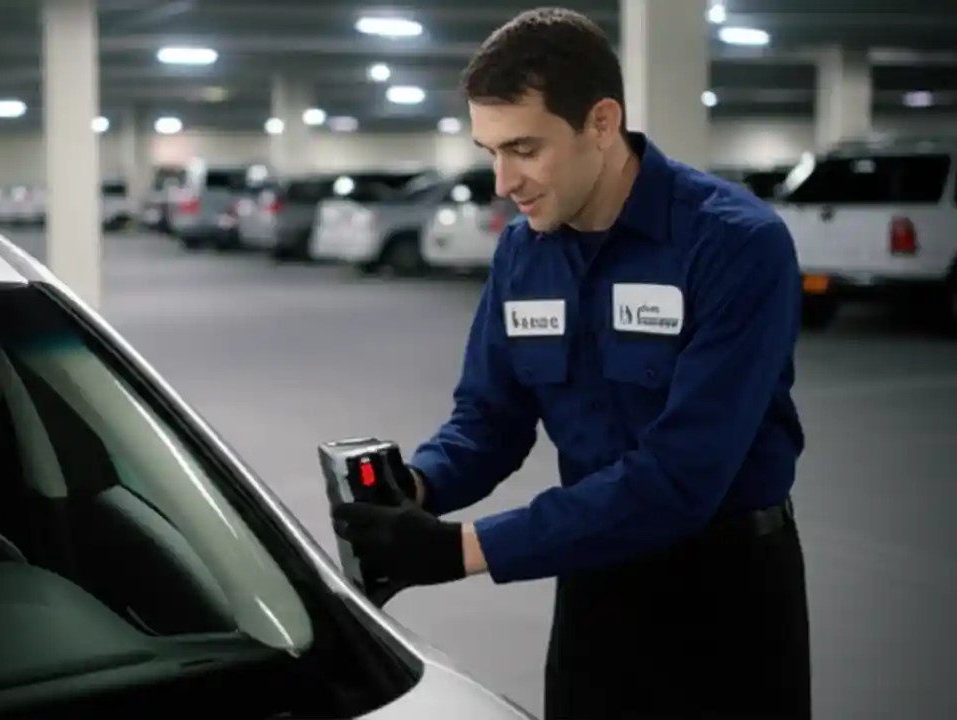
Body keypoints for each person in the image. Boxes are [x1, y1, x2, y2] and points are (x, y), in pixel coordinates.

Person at [331, 7, 811, 719]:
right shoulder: (525, 252)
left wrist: (459, 549)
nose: (503, 180)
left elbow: (682, 476)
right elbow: (488, 418)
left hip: (726, 594)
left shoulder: (735, 245)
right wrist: (420, 487)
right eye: (490, 150)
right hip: (594, 581)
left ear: (602, 122)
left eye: (525, 148)